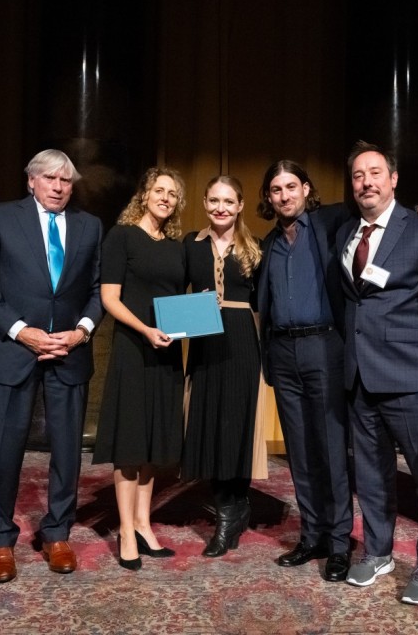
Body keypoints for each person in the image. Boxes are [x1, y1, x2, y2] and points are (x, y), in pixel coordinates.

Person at [256, 160, 418, 583]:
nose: (284, 196)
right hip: (284, 355)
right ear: (268, 198)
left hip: (326, 348)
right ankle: (312, 535)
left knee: (330, 451)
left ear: (306, 189)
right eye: (275, 190)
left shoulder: (330, 222)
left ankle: (341, 542)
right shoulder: (267, 244)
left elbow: (379, 204)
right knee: (300, 453)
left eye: (291, 186)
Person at [338, 140, 418, 605]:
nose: (366, 182)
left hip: (412, 376)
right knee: (370, 476)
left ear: (394, 180)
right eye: (357, 175)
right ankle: (378, 552)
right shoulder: (346, 233)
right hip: (360, 378)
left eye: (375, 173)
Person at [0, 149, 103, 583]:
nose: (59, 187)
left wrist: (82, 330)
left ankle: (57, 533)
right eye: (50, 178)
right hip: (12, 351)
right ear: (31, 181)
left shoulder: (90, 226)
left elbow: (101, 287)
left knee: (67, 450)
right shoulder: (0, 217)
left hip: (69, 351)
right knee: (2, 452)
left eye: (66, 181)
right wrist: (21, 330)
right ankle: (0, 540)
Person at [92, 167, 187, 570]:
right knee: (131, 444)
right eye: (159, 190)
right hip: (134, 348)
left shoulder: (177, 246)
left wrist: (200, 310)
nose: (166, 197)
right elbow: (109, 299)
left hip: (166, 352)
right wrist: (145, 329)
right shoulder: (122, 236)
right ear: (144, 194)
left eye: (173, 193)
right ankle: (126, 531)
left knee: (153, 445)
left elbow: (177, 299)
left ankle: (145, 525)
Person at [182, 175, 264, 557]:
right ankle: (229, 504)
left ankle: (232, 509)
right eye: (214, 200)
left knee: (237, 421)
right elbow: (171, 292)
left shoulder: (255, 248)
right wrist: (192, 303)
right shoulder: (190, 245)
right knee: (210, 421)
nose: (221, 208)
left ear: (241, 205)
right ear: (204, 202)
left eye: (228, 201)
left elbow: (264, 305)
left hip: (242, 340)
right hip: (204, 340)